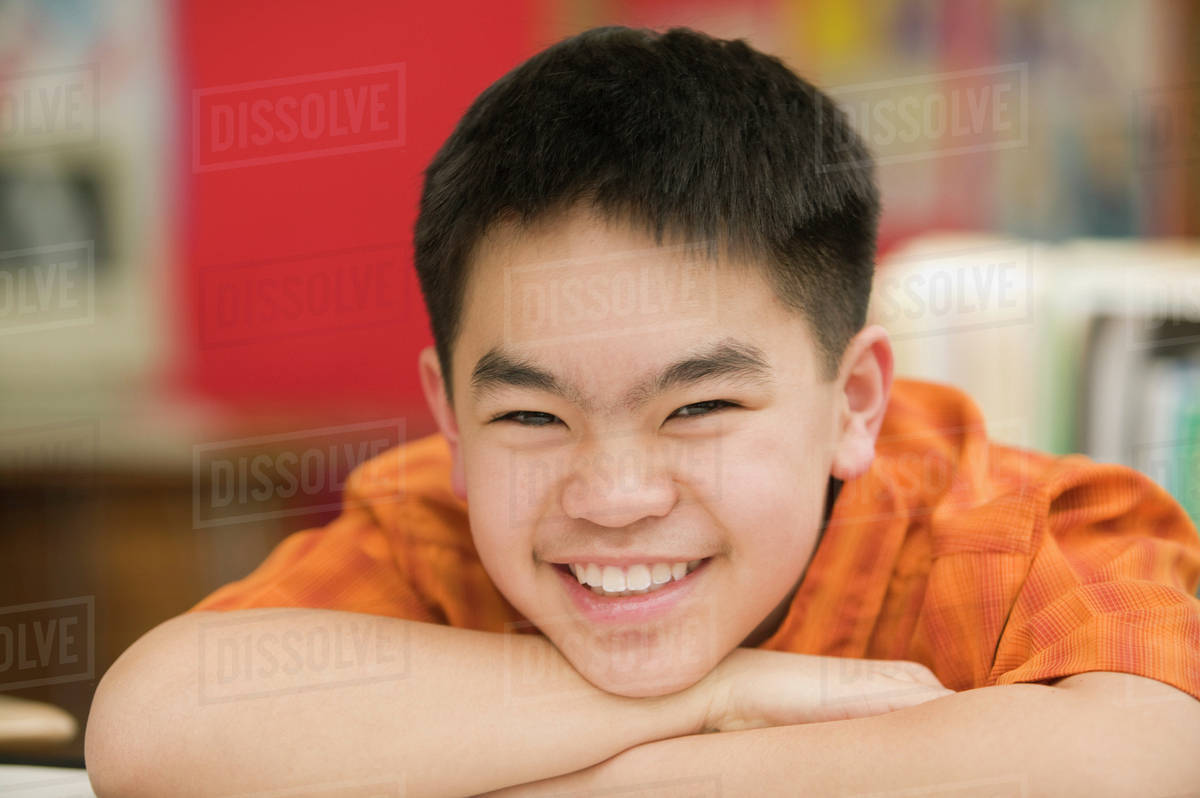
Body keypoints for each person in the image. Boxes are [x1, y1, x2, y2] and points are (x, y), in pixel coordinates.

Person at [86, 26, 1200, 797]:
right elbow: (151, 730)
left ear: (853, 401)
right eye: (530, 418)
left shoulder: (1012, 528)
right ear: (452, 421)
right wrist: (727, 691)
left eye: (700, 405)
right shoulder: (433, 526)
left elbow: (1148, 758)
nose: (614, 499)